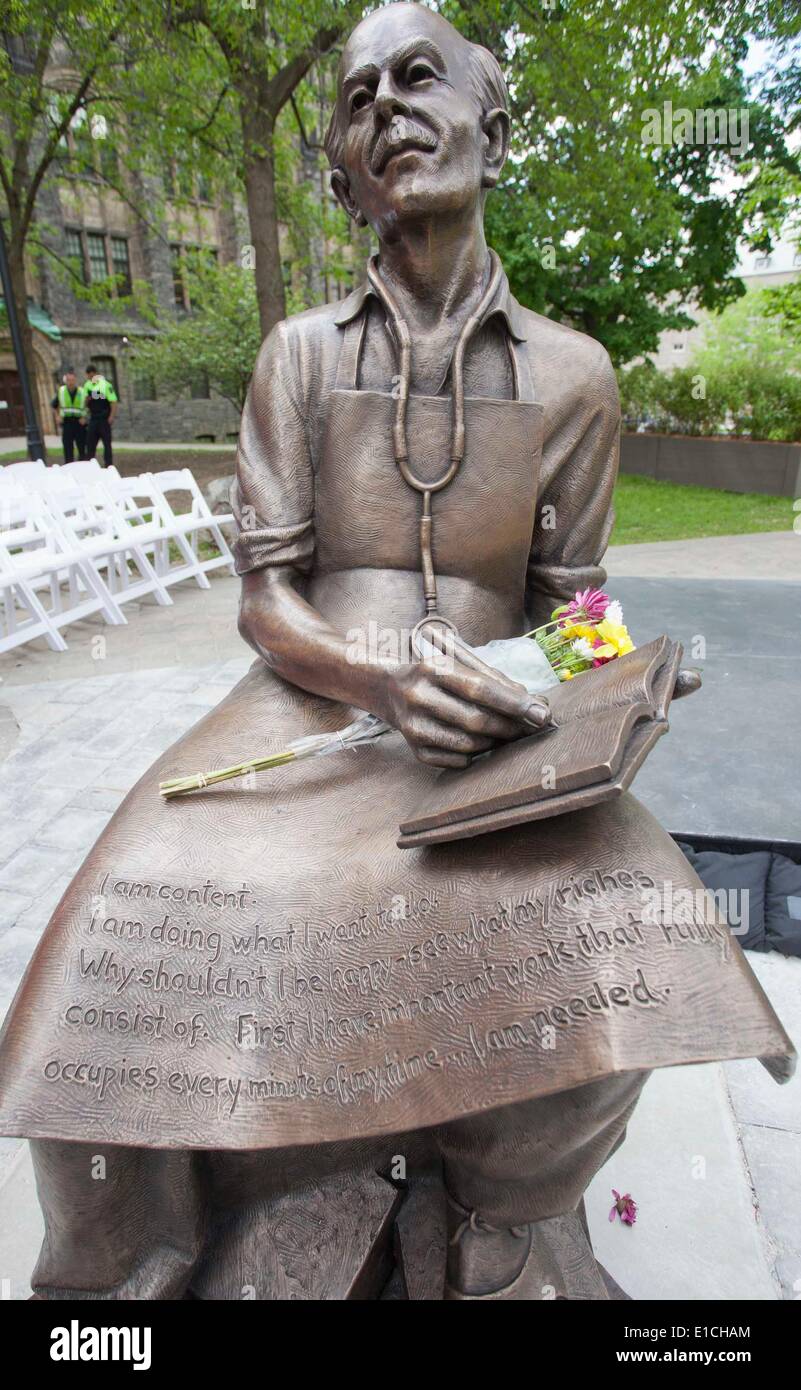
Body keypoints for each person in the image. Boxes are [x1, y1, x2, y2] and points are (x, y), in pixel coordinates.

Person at [0, 4, 792, 1302]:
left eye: (419, 79)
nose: (387, 111)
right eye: (358, 99)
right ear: (338, 174)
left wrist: (599, 684)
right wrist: (375, 676)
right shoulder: (297, 356)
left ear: (496, 125)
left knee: (639, 935)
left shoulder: (574, 375)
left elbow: (579, 609)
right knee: (112, 928)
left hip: (503, 713)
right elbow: (264, 601)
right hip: (307, 696)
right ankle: (131, 1266)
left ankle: (499, 1217)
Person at [83, 363, 118, 467]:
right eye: (89, 376)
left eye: (92, 376)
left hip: (104, 417)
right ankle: (90, 464)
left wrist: (111, 416)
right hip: (93, 418)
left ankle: (108, 464)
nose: (90, 378)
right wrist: (87, 400)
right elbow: (85, 402)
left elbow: (113, 401)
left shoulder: (106, 385)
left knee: (107, 443)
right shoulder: (87, 385)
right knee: (90, 443)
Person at [50, 370, 87, 465]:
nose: (71, 382)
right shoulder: (61, 391)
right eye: (69, 380)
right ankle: (69, 467)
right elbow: (54, 405)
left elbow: (89, 405)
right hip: (67, 423)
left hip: (79, 423)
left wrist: (85, 417)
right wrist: (57, 416)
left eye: (72, 380)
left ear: (75, 381)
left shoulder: (82, 392)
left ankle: (82, 467)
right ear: (65, 381)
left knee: (82, 447)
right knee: (68, 448)